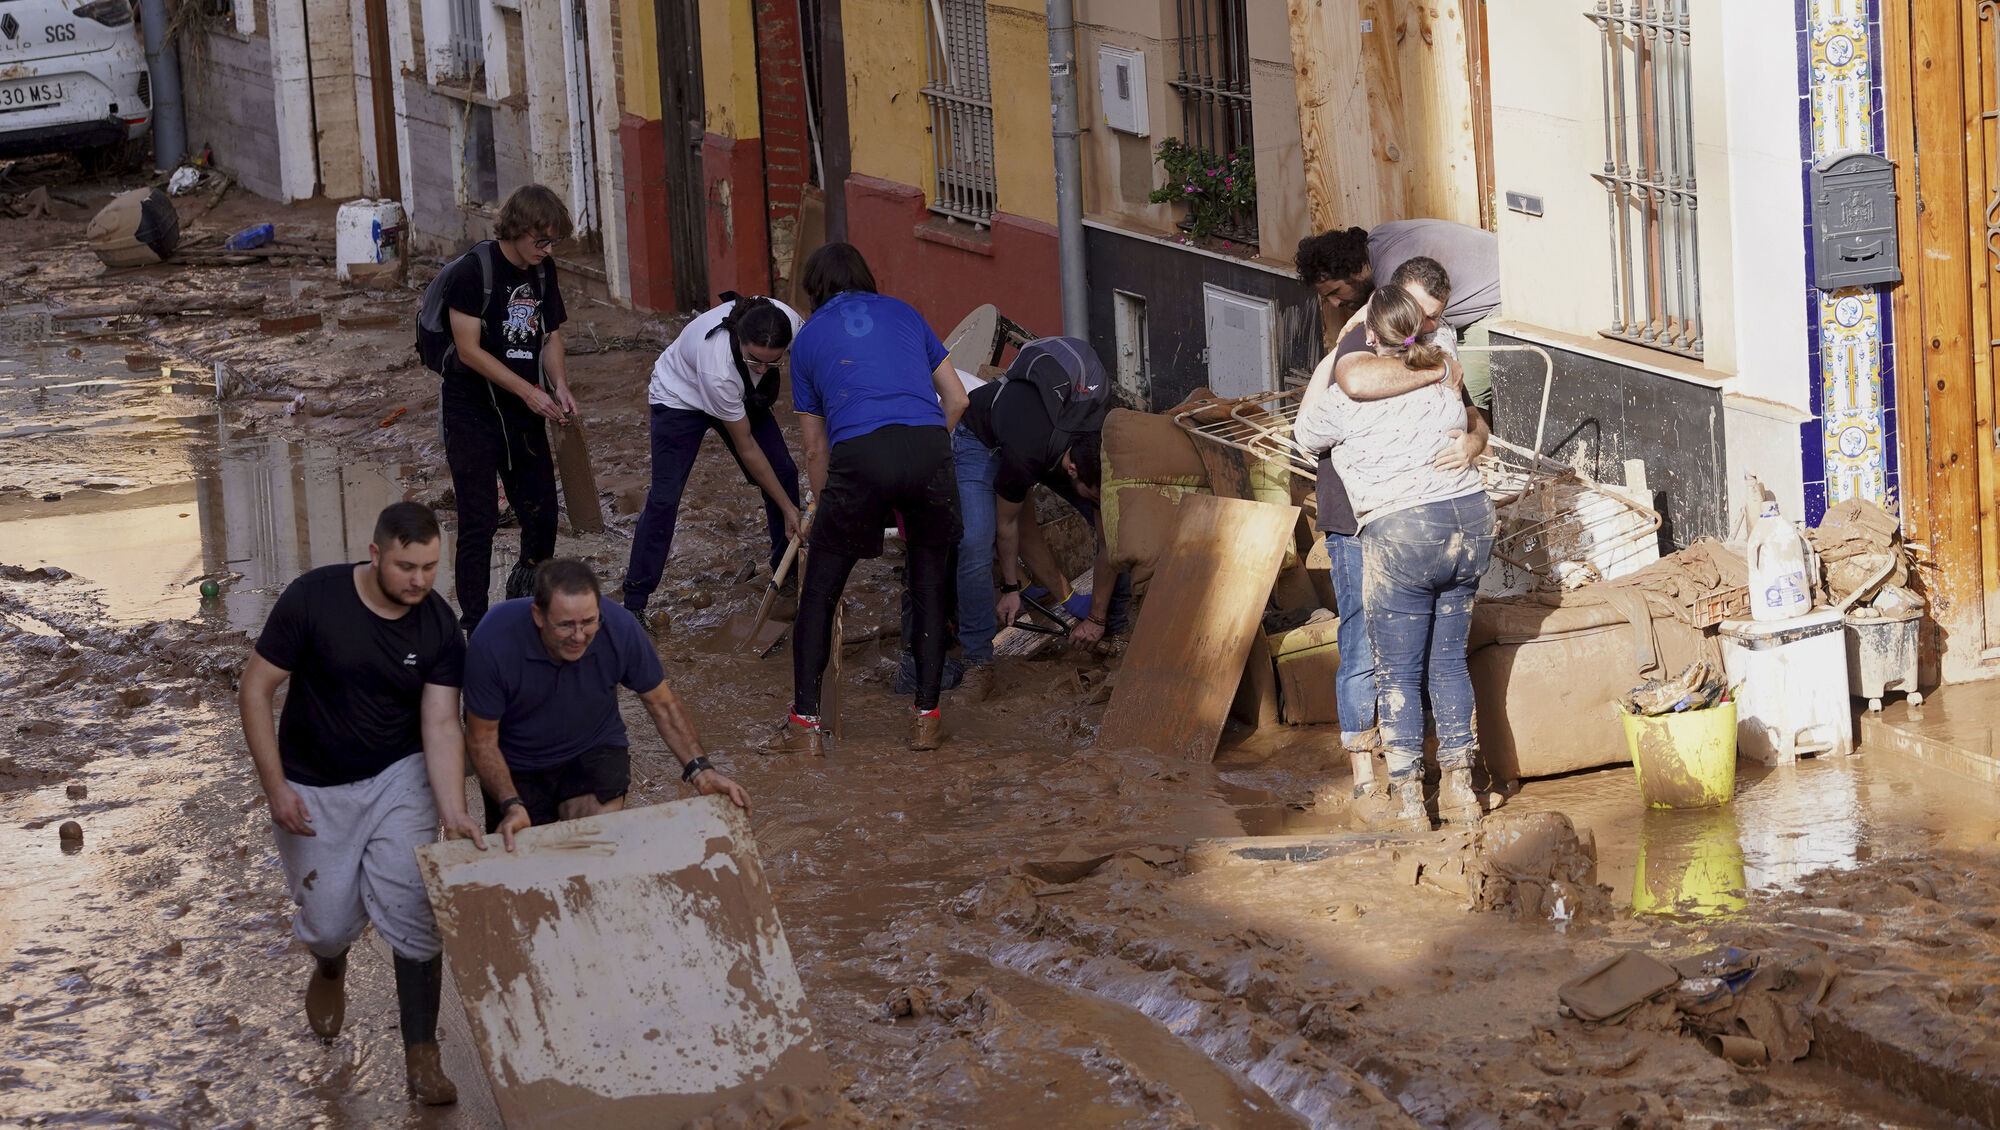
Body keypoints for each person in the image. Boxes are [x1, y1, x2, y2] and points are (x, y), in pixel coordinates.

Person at [236, 502, 482, 1106]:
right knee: (327, 923)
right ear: (374, 555)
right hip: (314, 784)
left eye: (429, 566)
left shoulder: (439, 626)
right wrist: (276, 788)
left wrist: (452, 810)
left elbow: (442, 726)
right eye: (406, 566)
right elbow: (256, 687)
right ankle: (328, 963)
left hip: (399, 779)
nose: (420, 580)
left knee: (415, 908)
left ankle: (422, 1057)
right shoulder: (312, 600)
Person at [1294, 284, 1495, 833]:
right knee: (1449, 661)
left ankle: (1410, 799)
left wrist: (1331, 357)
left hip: (1406, 533)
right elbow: (1475, 421)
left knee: (1397, 670)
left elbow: (1304, 431)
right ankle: (1460, 791)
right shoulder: (1444, 382)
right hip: (1470, 524)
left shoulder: (1347, 397)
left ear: (1370, 340)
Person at [766, 243, 968, 755]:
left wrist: (819, 505)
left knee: (819, 594)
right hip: (928, 445)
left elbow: (815, 448)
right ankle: (927, 720)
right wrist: (926, 452)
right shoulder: (905, 312)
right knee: (927, 587)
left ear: (814, 289)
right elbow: (959, 398)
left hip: (859, 452)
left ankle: (804, 726)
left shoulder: (807, 340)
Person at [462, 558, 749, 845]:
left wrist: (701, 770)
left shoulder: (619, 627)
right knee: (527, 853)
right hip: (517, 762)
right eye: (565, 625)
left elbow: (662, 704)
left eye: (588, 622)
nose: (578, 637)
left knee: (595, 840)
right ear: (538, 615)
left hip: (591, 749)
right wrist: (510, 803)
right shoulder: (493, 641)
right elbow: (481, 739)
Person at [439, 183, 578, 634]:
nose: (547, 249)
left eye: (552, 241)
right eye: (541, 241)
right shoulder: (472, 271)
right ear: (516, 230)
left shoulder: (543, 271)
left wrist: (558, 385)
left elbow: (550, 334)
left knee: (542, 515)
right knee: (478, 521)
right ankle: (475, 625)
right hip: (472, 408)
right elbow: (469, 352)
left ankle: (524, 604)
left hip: (523, 409)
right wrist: (528, 391)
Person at [620, 294, 806, 622]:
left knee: (785, 473)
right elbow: (747, 446)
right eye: (755, 360)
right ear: (738, 338)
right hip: (679, 396)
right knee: (664, 499)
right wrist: (791, 509)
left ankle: (785, 574)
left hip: (738, 393)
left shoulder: (788, 322)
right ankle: (635, 601)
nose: (763, 369)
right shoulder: (717, 366)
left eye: (772, 363)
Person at [956, 337, 1122, 699]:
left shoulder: (1098, 438)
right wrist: (1012, 588)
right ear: (1074, 471)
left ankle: (1114, 631)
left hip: (1042, 442)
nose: (1095, 501)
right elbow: (1014, 525)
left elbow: (1110, 539)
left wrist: (1095, 616)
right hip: (979, 440)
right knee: (974, 543)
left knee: (1113, 525)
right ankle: (978, 662)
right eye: (1093, 495)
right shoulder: (1025, 456)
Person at [1296, 219, 1501, 409]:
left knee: (1460, 393)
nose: (1334, 303)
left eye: (1335, 292)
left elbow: (1404, 341)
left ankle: (1477, 443)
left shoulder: (1395, 282)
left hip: (1503, 300)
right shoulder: (1378, 239)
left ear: (1355, 272)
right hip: (1502, 269)